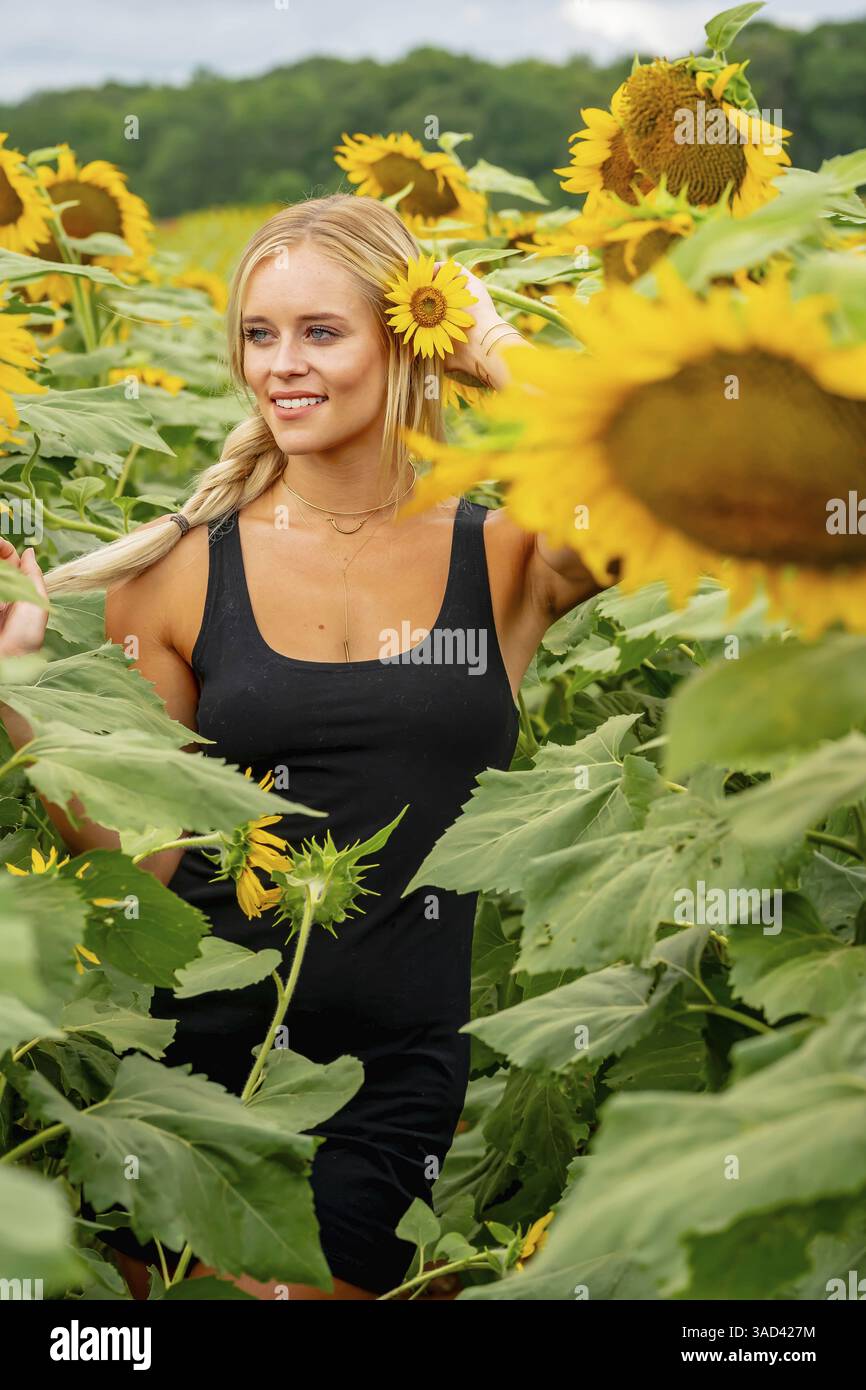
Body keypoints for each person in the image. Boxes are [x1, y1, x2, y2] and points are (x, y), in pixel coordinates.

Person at [0, 193, 600, 1300]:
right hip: (189, 1084)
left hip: (396, 1081)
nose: (283, 364)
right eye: (259, 335)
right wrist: (15, 696)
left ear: (399, 338)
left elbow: (642, 469)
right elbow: (149, 869)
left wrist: (485, 341)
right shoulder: (180, 572)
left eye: (321, 331)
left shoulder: (505, 555)